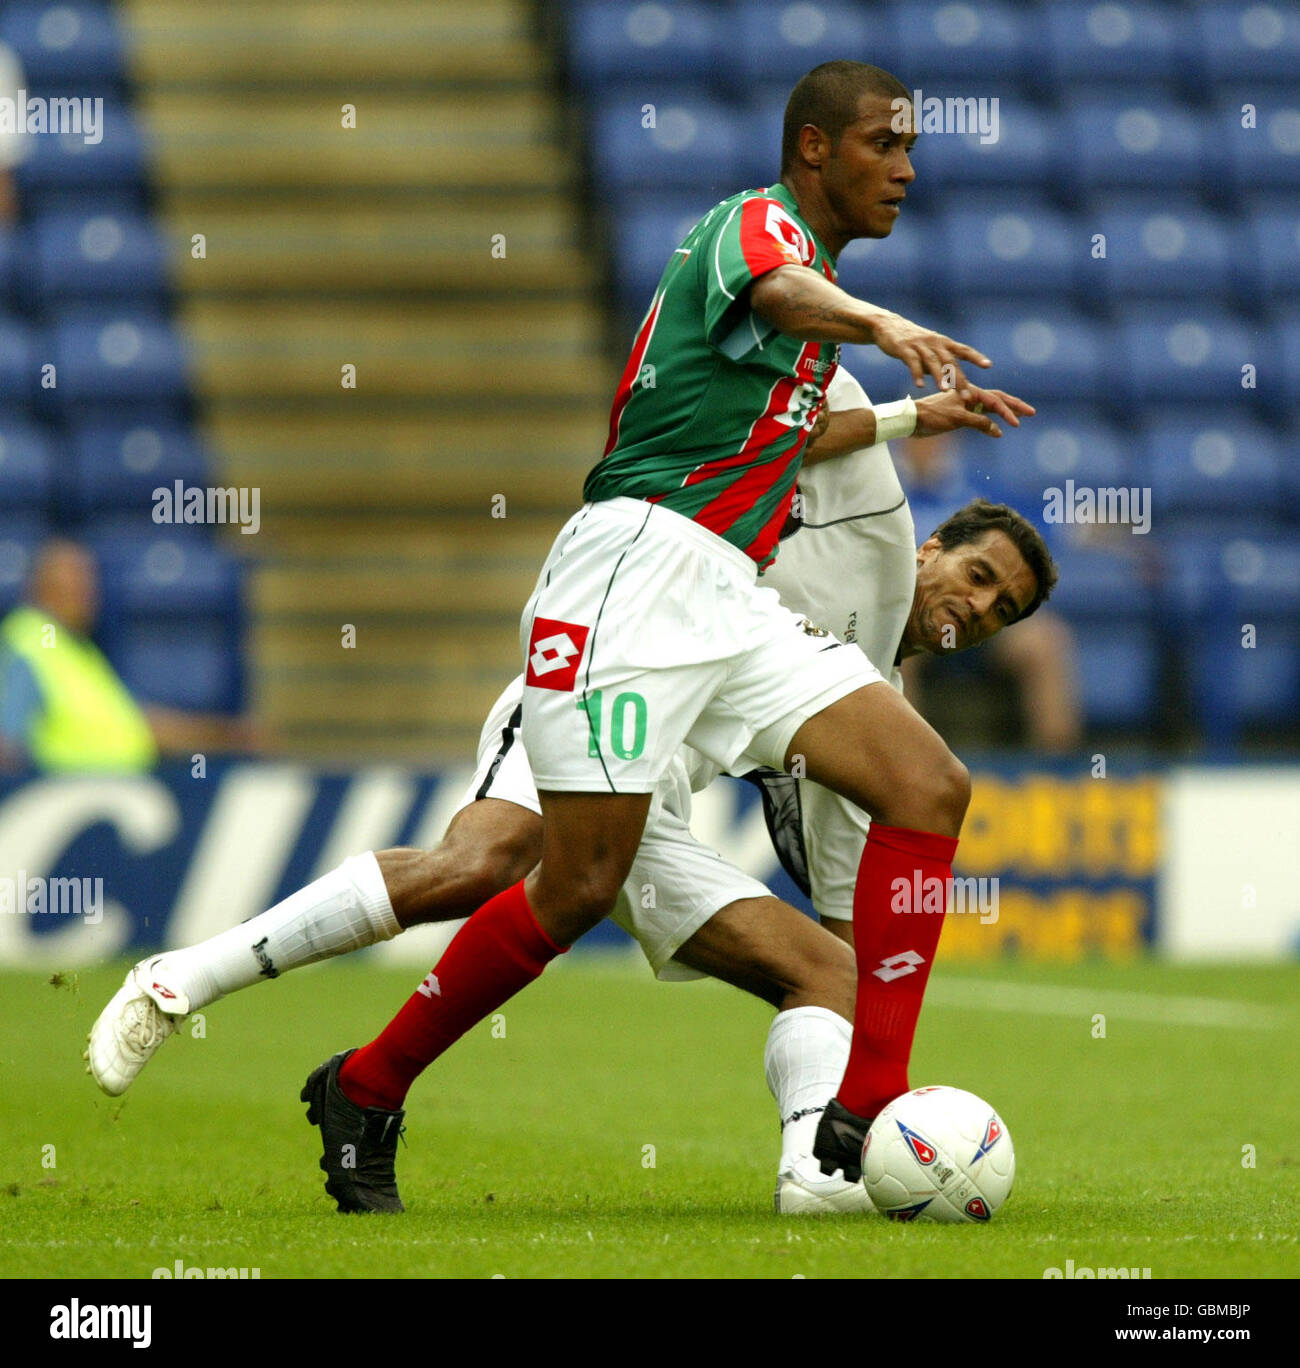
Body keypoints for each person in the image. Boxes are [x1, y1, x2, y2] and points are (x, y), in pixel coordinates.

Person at [88, 362, 1054, 1214]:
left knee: (825, 975)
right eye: (974, 574)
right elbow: (778, 413)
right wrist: (906, 418)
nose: (975, 606)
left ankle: (816, 1175)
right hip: (599, 672)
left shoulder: (868, 719)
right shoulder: (877, 518)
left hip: (653, 805)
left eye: (1000, 608)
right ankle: (181, 981)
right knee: (482, 861)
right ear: (929, 549)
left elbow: (860, 936)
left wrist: (883, 1112)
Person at [0, 540, 260, 772]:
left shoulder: (76, 650)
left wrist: (224, 736)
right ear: (39, 589)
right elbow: (7, 742)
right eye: (72, 587)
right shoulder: (31, 642)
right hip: (72, 803)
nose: (87, 597)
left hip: (116, 794)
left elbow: (138, 724)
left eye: (88, 585)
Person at [895, 433, 1083, 752]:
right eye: (919, 435)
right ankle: (905, 765)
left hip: (984, 623)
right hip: (914, 619)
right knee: (893, 650)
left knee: (1045, 642)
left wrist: (1127, 534)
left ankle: (1056, 774)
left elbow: (1052, 530)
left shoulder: (979, 495)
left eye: (936, 437)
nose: (928, 445)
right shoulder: (884, 492)